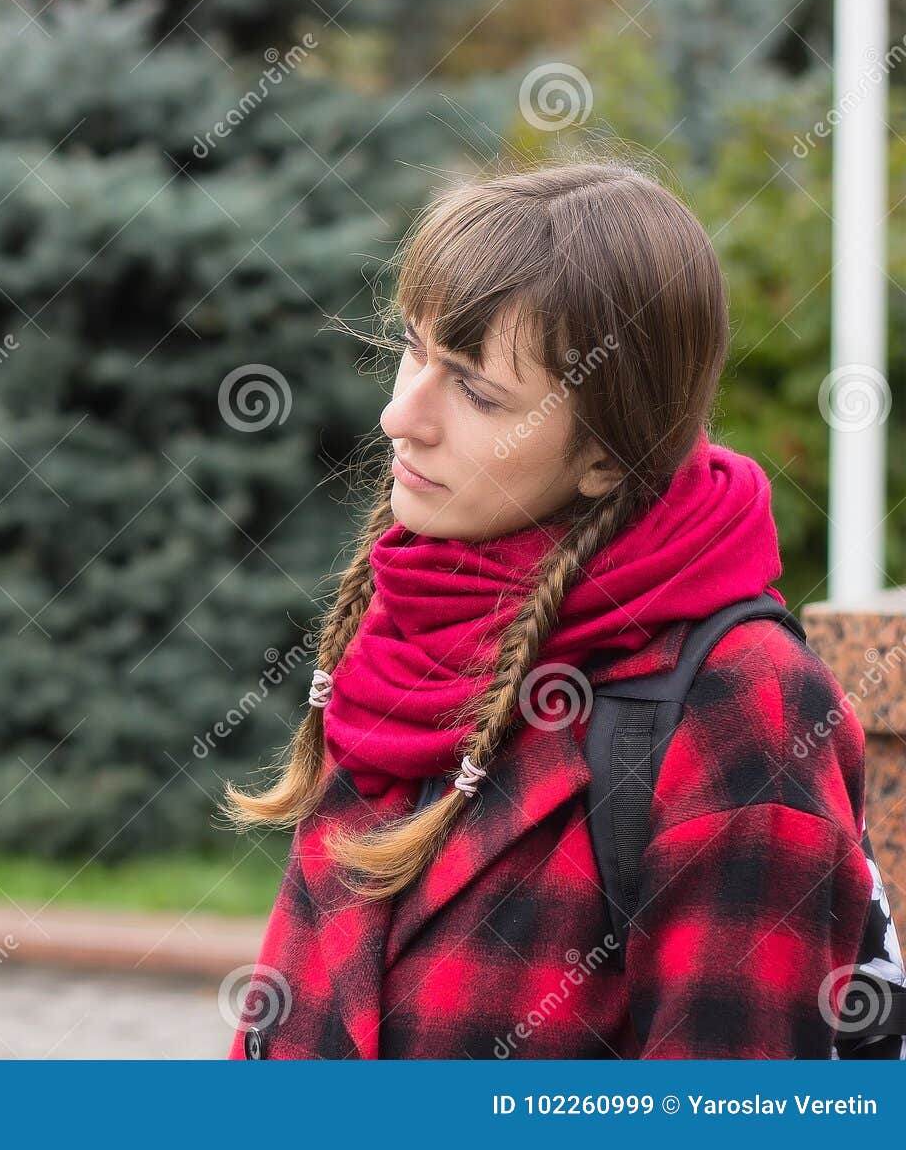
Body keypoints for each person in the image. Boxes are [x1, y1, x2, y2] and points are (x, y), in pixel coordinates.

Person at [224, 160, 888, 1058]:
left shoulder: (741, 703)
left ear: (610, 459)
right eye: (414, 349)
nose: (400, 415)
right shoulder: (411, 624)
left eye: (477, 390)